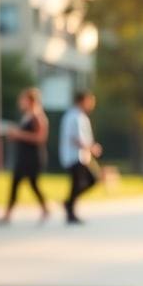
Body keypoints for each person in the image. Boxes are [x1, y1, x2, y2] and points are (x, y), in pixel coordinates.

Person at [0, 87, 49, 225]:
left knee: (23, 183)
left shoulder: (38, 117)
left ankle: (8, 215)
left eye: (23, 100)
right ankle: (44, 208)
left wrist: (19, 134)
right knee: (28, 184)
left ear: (31, 101)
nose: (21, 103)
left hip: (32, 157)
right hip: (24, 157)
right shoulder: (27, 117)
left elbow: (40, 137)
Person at [59, 90, 101, 225]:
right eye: (89, 100)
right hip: (73, 155)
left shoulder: (82, 117)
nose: (92, 104)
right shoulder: (73, 116)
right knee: (78, 183)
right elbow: (74, 138)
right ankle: (70, 211)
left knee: (90, 180)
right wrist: (91, 148)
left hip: (83, 156)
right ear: (82, 101)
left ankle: (69, 204)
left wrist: (89, 148)